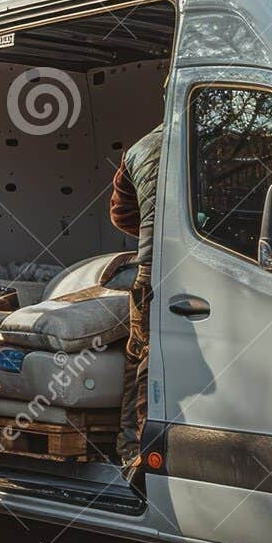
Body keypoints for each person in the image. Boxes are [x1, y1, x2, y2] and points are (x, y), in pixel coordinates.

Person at [110, 123, 165, 479]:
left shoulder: (140, 146)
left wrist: (150, 230)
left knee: (141, 354)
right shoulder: (213, 142)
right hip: (200, 262)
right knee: (152, 357)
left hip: (150, 268)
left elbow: (120, 213)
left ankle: (132, 446)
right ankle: (144, 454)